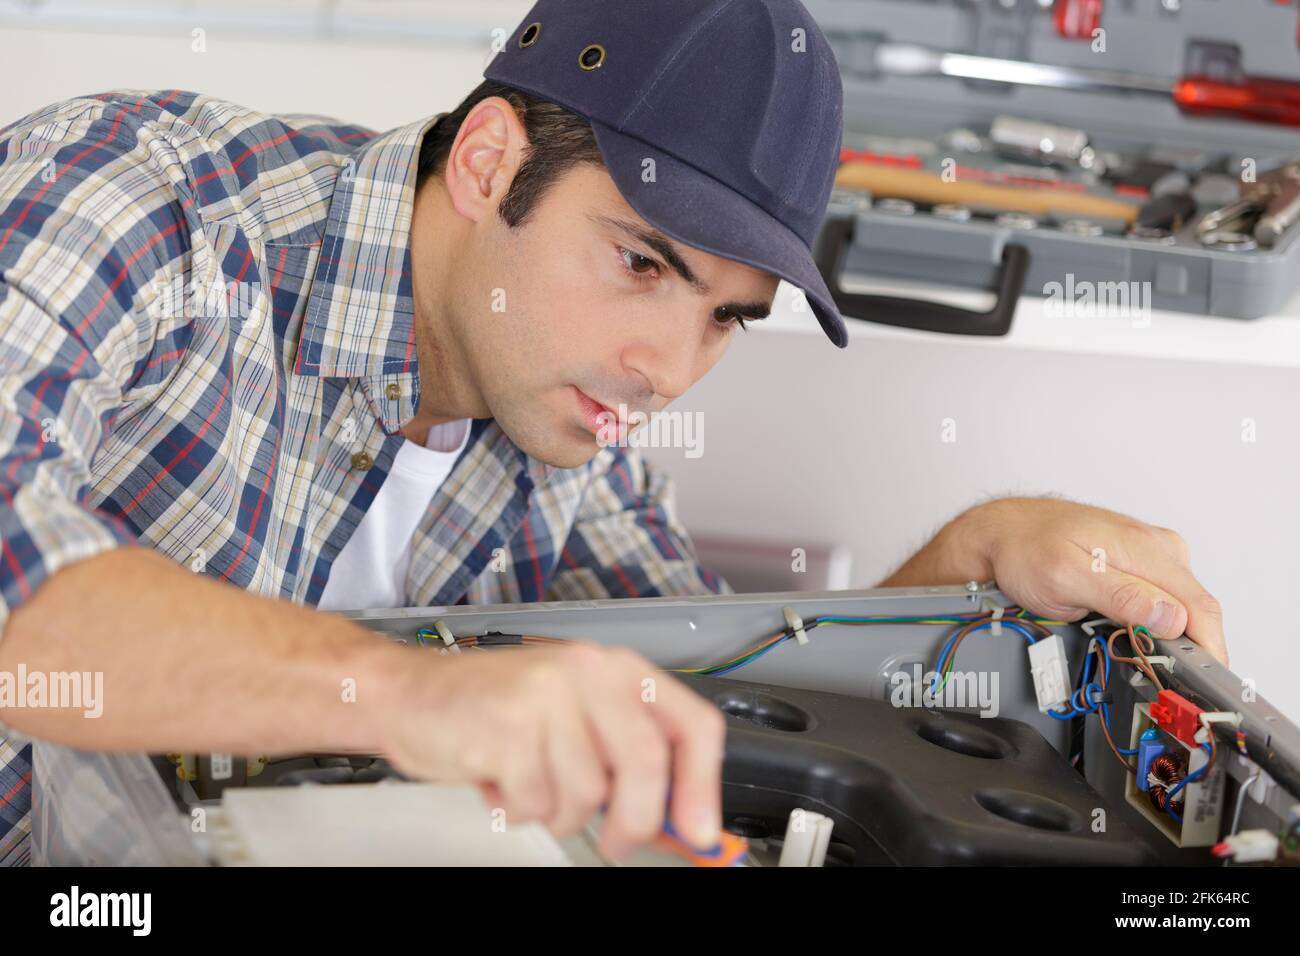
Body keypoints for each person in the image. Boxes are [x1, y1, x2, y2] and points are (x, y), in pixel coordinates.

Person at [0, 0, 1224, 866]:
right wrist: (405, 695)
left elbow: (723, 715)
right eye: (641, 262)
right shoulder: (137, 204)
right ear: (488, 162)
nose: (667, 371)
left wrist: (969, 561)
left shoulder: (575, 432)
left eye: (724, 320)